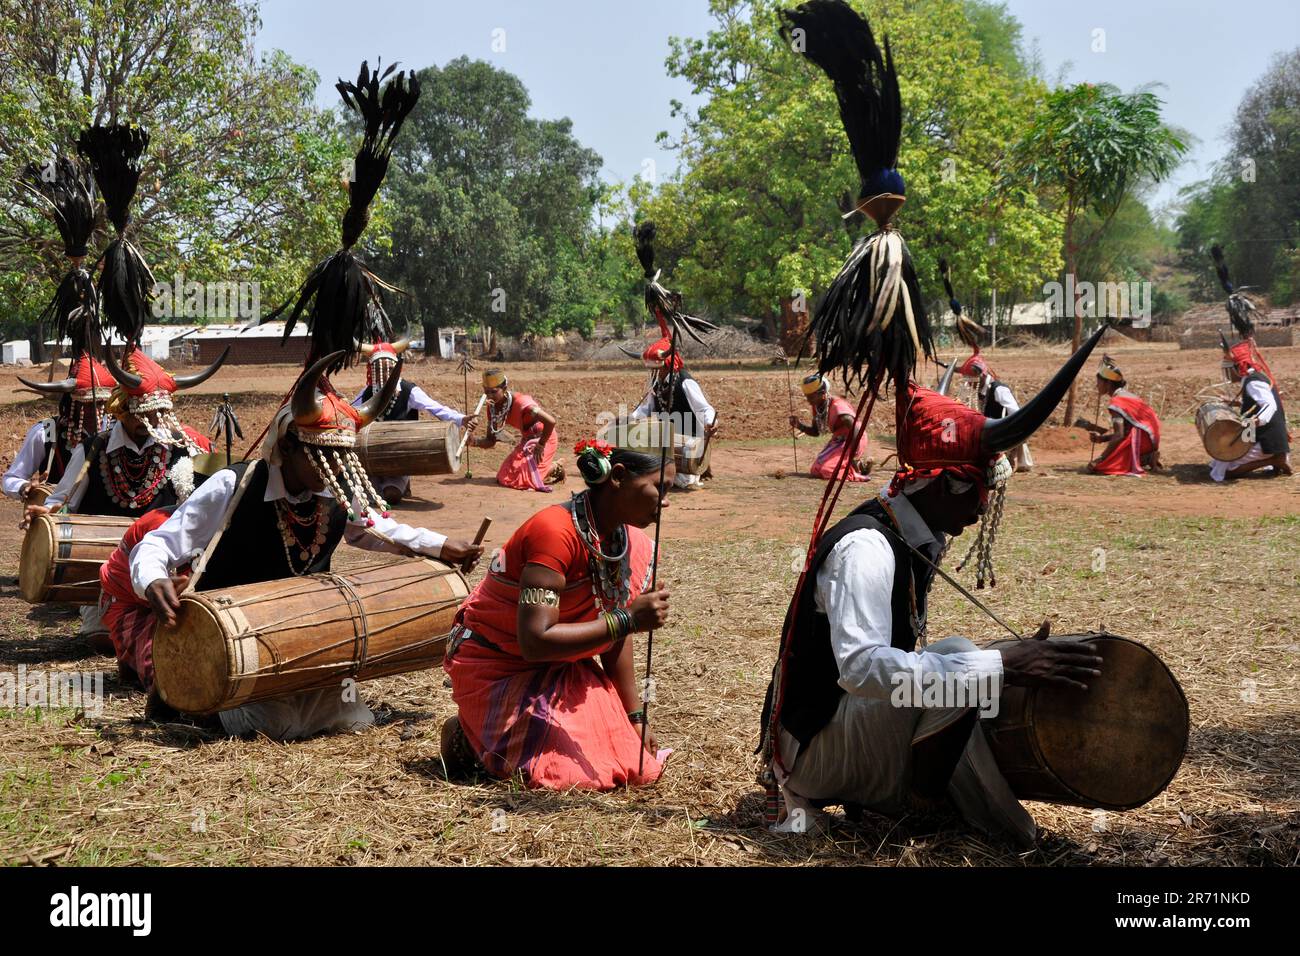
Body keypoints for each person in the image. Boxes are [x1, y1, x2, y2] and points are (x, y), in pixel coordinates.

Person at [760, 0, 1108, 847]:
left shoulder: (916, 535)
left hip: (847, 731)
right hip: (815, 757)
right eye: (981, 482)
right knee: (967, 677)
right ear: (945, 480)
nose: (986, 498)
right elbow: (863, 669)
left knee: (956, 652)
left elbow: (912, 661)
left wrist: (989, 657)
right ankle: (1013, 839)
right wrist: (1003, 665)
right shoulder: (870, 548)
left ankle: (958, 808)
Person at [112, 352, 484, 738]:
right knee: (273, 726)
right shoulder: (235, 485)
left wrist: (441, 547)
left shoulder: (335, 490)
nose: (334, 470)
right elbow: (158, 543)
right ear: (287, 448)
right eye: (322, 458)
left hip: (302, 635)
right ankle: (184, 696)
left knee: (353, 718)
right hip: (229, 638)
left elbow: (382, 529)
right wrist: (151, 578)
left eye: (342, 459)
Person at [441, 421, 674, 790]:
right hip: (500, 664)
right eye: (659, 487)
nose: (665, 500)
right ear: (617, 476)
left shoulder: (629, 541)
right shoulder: (554, 532)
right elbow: (535, 640)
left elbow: (615, 637)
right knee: (567, 775)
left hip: (565, 662)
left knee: (637, 769)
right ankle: (466, 739)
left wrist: (635, 717)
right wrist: (629, 618)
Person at [33, 347, 223, 519]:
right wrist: (50, 512)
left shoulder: (182, 449)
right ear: (122, 410)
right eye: (141, 414)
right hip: (100, 553)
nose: (149, 423)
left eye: (155, 414)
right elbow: (61, 504)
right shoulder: (90, 450)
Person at [351, 339, 479, 501]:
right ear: (372, 370)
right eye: (379, 369)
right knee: (364, 497)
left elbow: (435, 408)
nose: (384, 374)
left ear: (397, 369)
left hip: (399, 456)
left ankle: (401, 484)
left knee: (391, 496)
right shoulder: (367, 392)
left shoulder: (408, 390)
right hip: (371, 458)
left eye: (389, 369)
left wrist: (462, 419)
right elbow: (349, 411)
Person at [7, 353, 115, 509]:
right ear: (71, 401)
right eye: (86, 404)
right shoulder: (49, 431)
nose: (95, 410)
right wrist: (24, 487)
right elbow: (12, 478)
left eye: (101, 404)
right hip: (60, 518)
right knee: (65, 532)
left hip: (103, 522)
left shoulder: (115, 431)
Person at [1210, 339, 1291, 481]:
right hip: (1257, 435)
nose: (1227, 374)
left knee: (1224, 471)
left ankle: (1275, 459)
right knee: (1217, 462)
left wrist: (1259, 420)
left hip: (1267, 440)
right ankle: (1273, 458)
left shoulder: (1253, 382)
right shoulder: (1252, 379)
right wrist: (1237, 402)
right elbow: (1257, 403)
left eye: (1228, 370)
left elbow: (1270, 405)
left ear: (1237, 367)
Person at [471, 369, 564, 491]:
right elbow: (490, 441)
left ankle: (555, 467)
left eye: (494, 392)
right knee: (503, 477)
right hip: (526, 441)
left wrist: (541, 445)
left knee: (526, 481)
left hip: (544, 438)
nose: (489, 396)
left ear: (504, 389)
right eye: (486, 392)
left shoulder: (522, 403)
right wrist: (473, 442)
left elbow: (550, 421)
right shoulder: (492, 407)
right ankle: (541, 469)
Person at [1083, 355, 1163, 477]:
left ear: (1108, 383)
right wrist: (1102, 439)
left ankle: (1143, 457)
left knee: (1101, 468)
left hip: (1142, 440)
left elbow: (1119, 435)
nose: (1096, 386)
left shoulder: (1117, 402)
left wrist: (1100, 459)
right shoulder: (1127, 396)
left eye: (1098, 382)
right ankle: (1146, 456)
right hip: (1150, 441)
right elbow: (1126, 431)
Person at [957, 354, 1033, 472]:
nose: (970, 384)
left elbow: (1015, 412)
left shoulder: (998, 389)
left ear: (981, 375)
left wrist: (1014, 434)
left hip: (1001, 431)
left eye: (971, 379)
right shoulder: (982, 390)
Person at [790, 373, 871, 481]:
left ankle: (857, 472)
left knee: (828, 471)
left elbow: (855, 429)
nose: (808, 400)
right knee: (816, 470)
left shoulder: (838, 406)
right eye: (807, 397)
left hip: (854, 439)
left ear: (823, 394)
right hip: (838, 440)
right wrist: (799, 426)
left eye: (811, 396)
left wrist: (853, 455)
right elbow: (816, 432)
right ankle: (855, 467)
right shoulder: (817, 407)